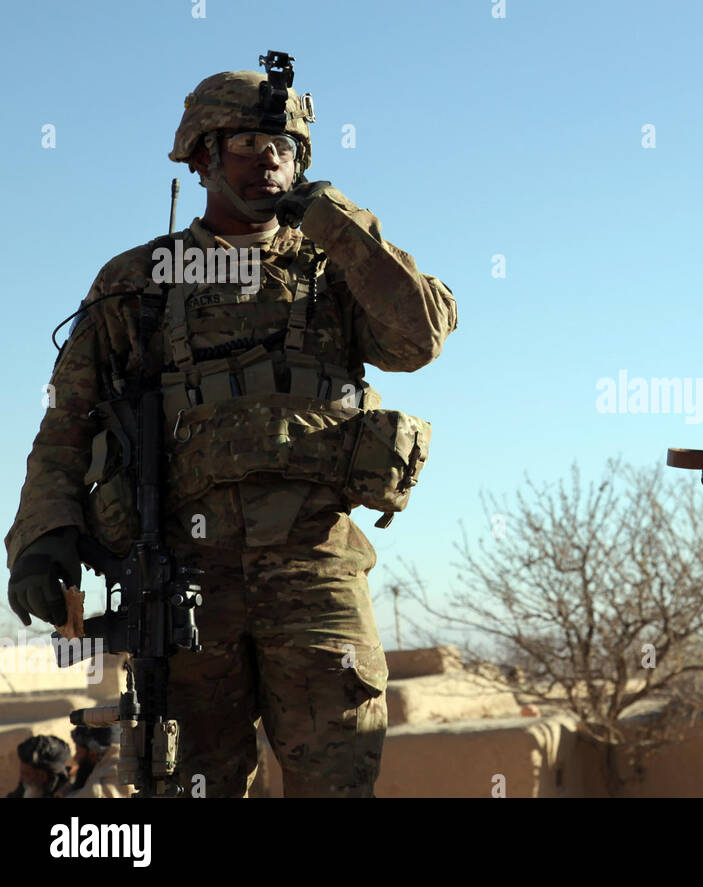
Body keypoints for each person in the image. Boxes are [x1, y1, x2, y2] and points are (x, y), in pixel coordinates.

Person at [5, 54, 458, 797]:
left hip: (316, 571)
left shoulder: (336, 265)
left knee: (338, 781)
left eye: (285, 147)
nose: (271, 162)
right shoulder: (138, 281)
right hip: (182, 576)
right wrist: (42, 537)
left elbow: (418, 338)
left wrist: (341, 225)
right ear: (203, 155)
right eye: (249, 145)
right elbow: (64, 423)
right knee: (191, 786)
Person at [58, 725, 127, 799]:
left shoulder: (99, 789)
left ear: (93, 753)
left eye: (78, 752)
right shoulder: (124, 769)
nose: (76, 758)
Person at [6, 735, 72, 798]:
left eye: (27, 774)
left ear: (42, 776)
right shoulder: (27, 787)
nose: (21, 778)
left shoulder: (69, 794)